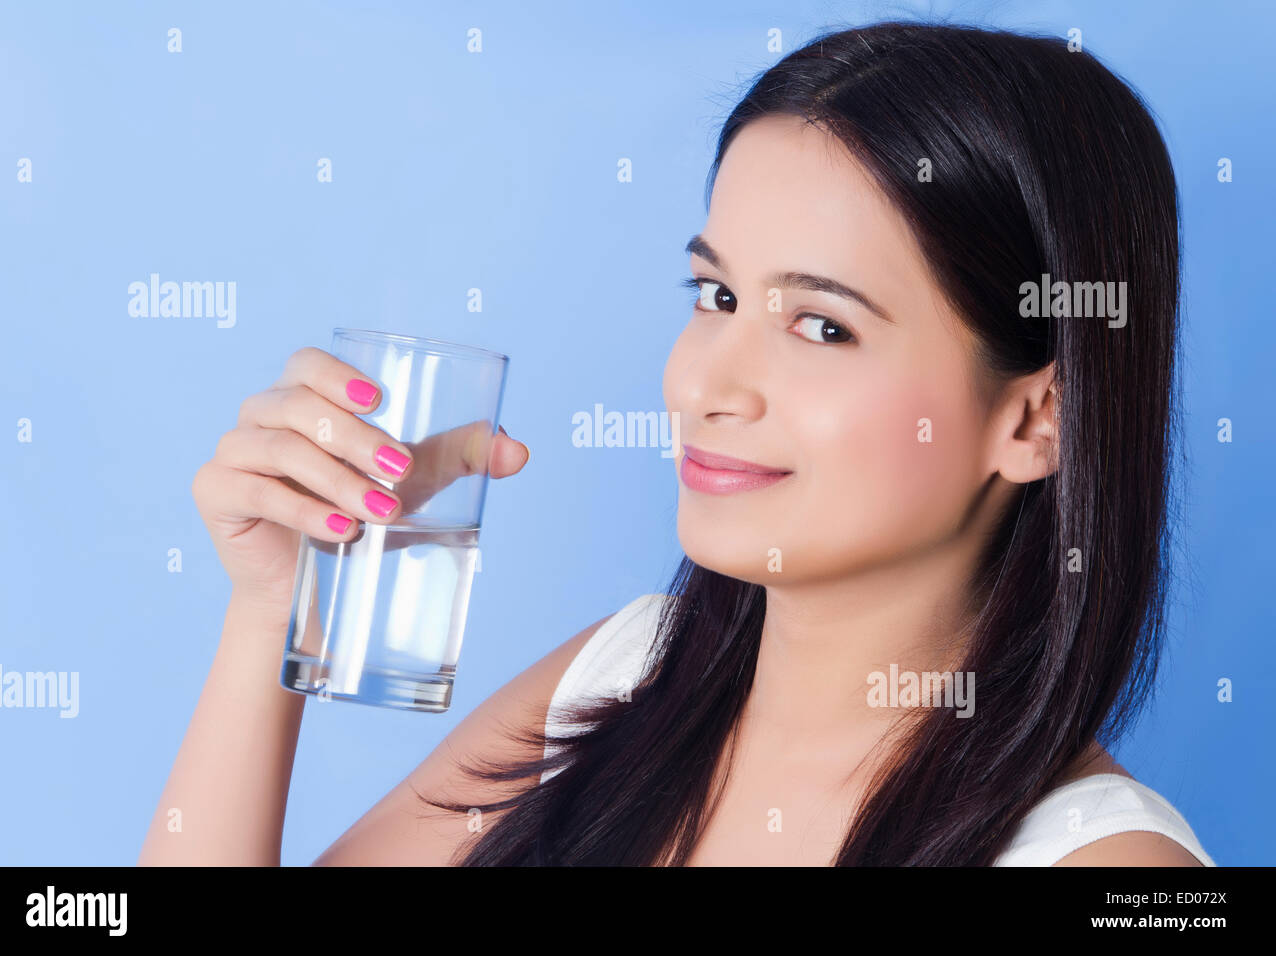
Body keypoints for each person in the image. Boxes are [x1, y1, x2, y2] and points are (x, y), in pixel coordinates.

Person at [139, 21, 1215, 866]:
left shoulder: (1102, 863)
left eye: (822, 324)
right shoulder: (618, 679)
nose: (702, 380)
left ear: (1035, 420)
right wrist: (273, 615)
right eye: (716, 293)